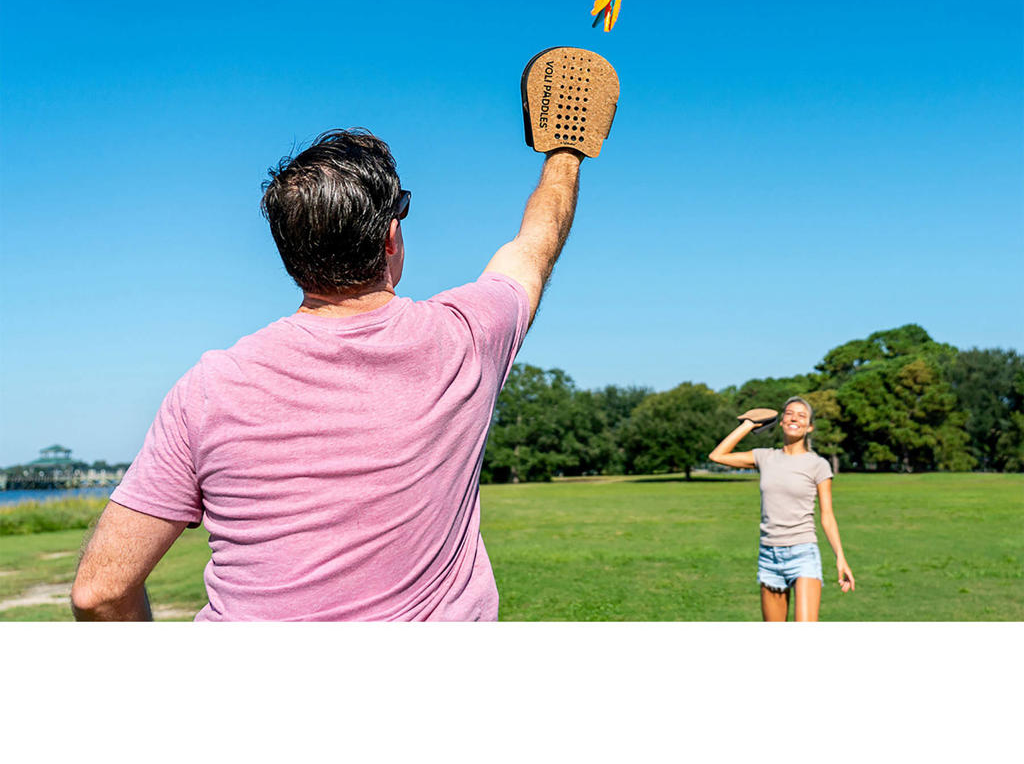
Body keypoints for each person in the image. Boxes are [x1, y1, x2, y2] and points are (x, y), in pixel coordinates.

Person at [71, 128, 585, 621]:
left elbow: (101, 591)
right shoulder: (466, 337)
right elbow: (532, 247)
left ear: (290, 257)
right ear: (390, 237)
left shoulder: (207, 389)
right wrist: (565, 152)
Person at [708, 396, 855, 621]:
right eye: (789, 413)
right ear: (781, 422)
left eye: (801, 415)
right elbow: (717, 456)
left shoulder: (818, 465)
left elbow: (827, 516)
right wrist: (748, 424)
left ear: (810, 427)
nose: (794, 418)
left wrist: (840, 557)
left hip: (803, 553)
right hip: (769, 555)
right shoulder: (765, 457)